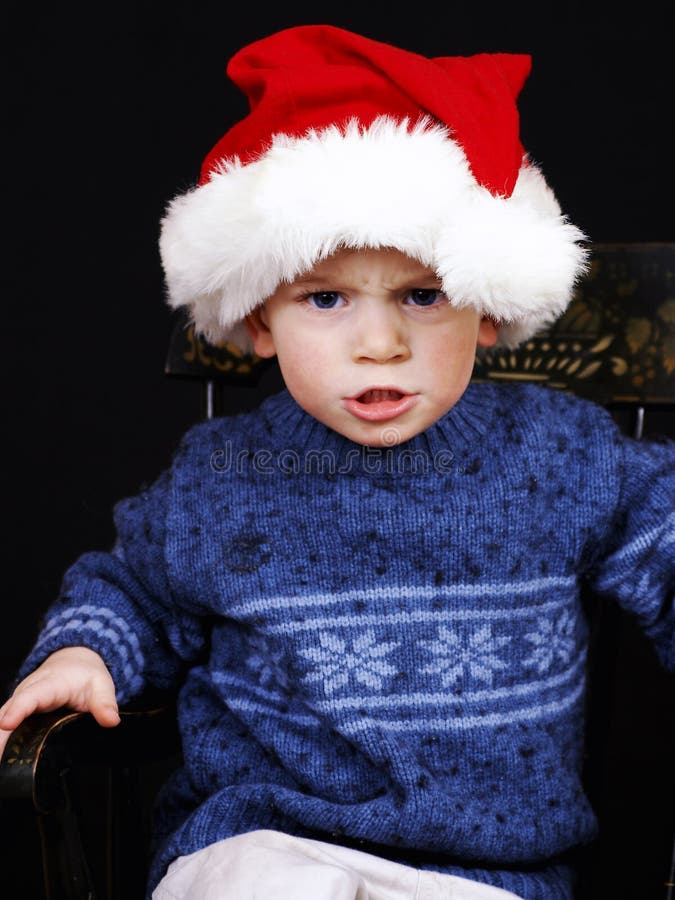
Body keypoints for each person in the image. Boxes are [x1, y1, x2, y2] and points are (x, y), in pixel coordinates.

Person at [0, 23, 673, 900]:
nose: (380, 343)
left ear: (489, 310)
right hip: (264, 837)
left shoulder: (559, 455)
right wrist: (85, 651)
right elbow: (132, 586)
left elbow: (659, 525)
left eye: (422, 295)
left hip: (486, 869)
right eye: (325, 298)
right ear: (256, 320)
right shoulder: (223, 475)